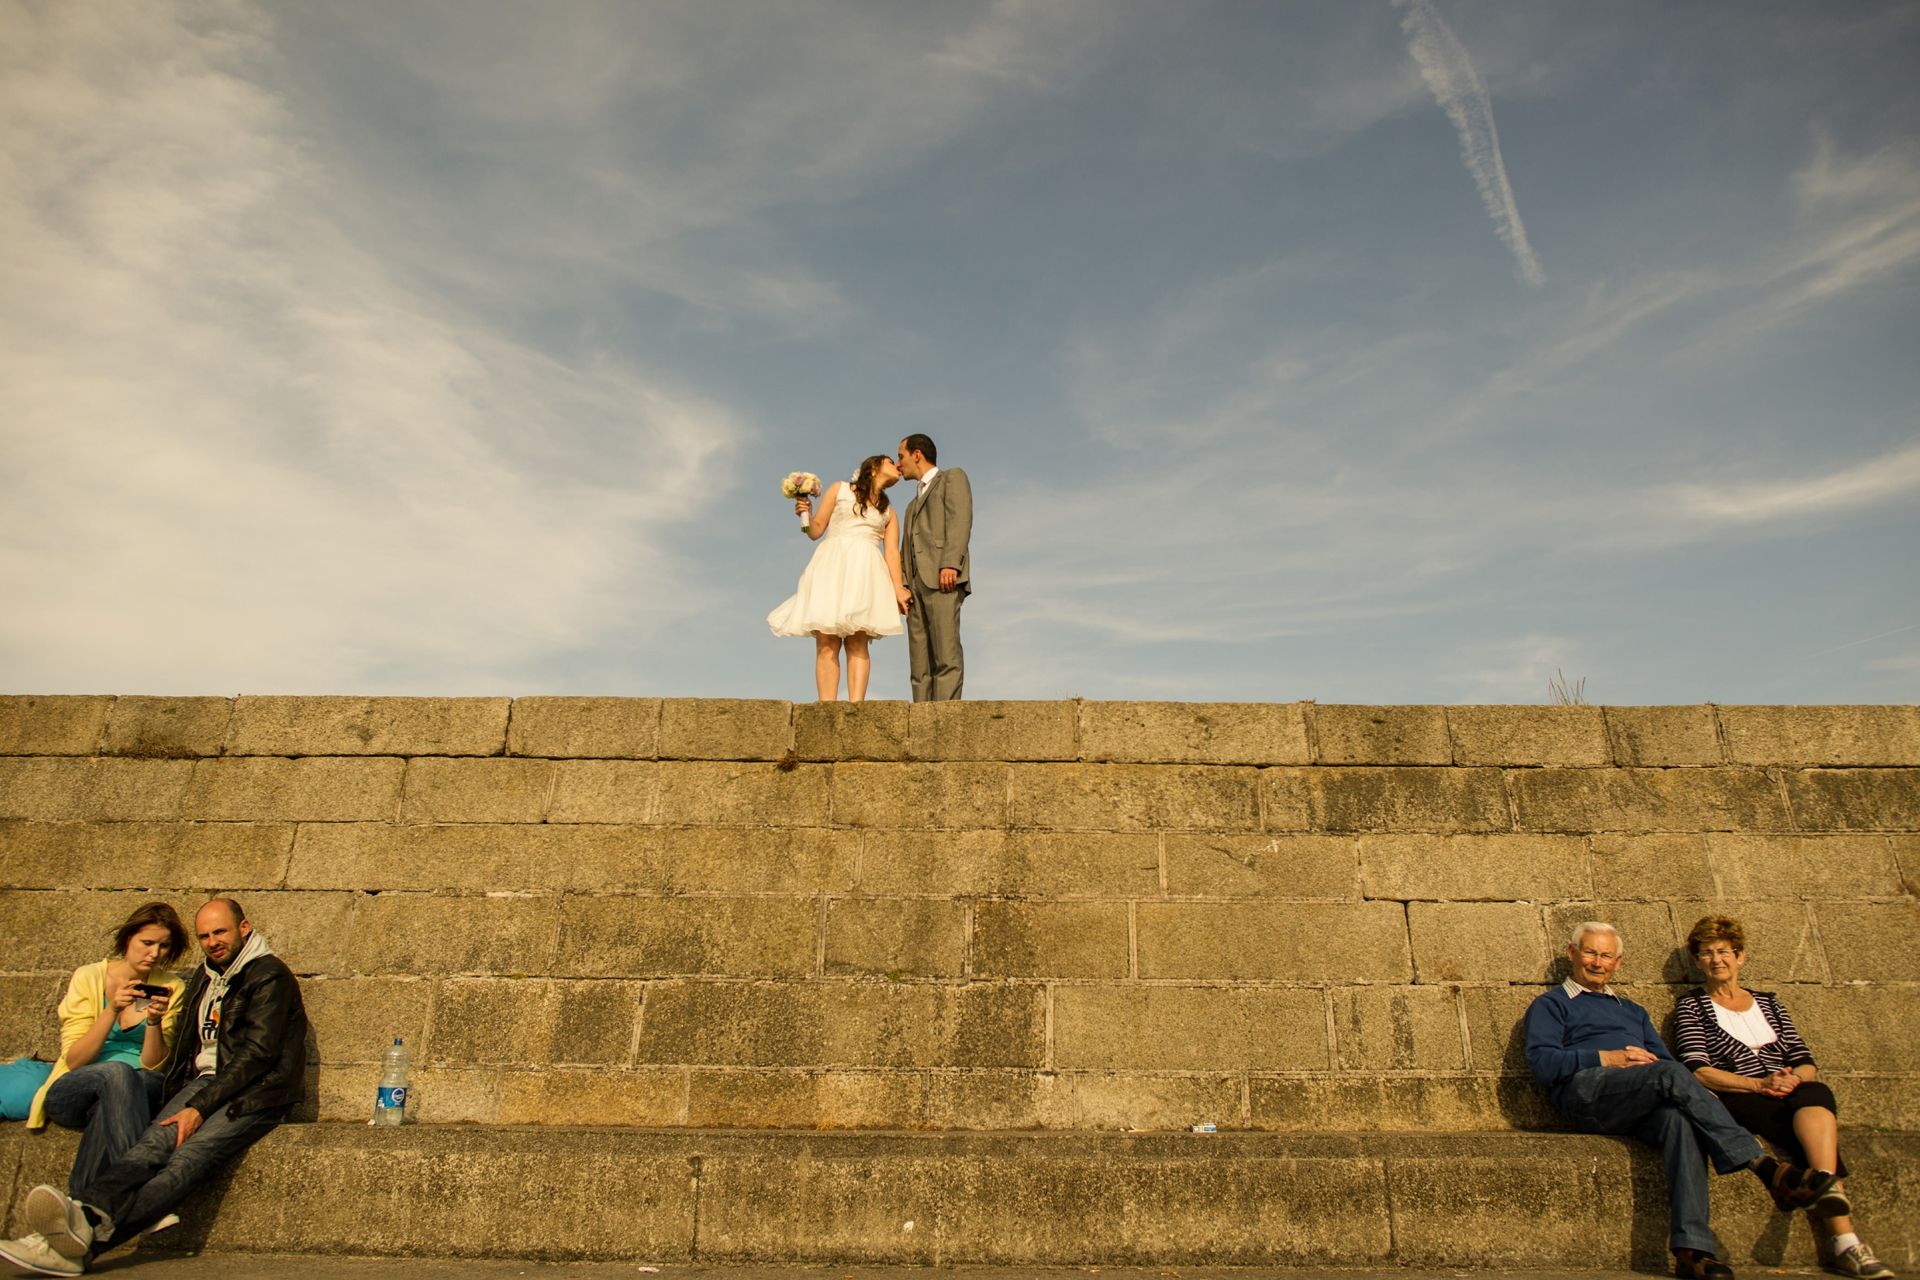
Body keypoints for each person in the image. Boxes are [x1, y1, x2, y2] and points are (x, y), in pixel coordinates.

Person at [0, 898, 308, 1277]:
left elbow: (256, 1057)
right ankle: (76, 1224)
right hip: (204, 1083)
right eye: (204, 936)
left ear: (244, 928)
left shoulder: (268, 976)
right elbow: (190, 1050)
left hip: (255, 1094)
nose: (212, 942)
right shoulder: (208, 975)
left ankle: (72, 1239)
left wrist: (197, 1107)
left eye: (220, 932)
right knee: (149, 1146)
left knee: (185, 1161)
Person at [1525, 921, 1800, 1280]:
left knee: (1679, 1121)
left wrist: (1655, 1072)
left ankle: (1693, 1250)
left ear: (1618, 963)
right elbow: (1543, 1065)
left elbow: (1666, 1064)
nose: (1597, 962)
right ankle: (1761, 1165)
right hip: (1586, 1094)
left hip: (1639, 1097)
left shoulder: (1633, 1011)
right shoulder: (1552, 1005)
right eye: (1590, 953)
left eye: (1606, 956)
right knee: (1670, 1075)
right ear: (1572, 954)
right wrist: (1608, 1058)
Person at [1673, 915, 1894, 1279]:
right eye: (1707, 953)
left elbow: (1805, 1061)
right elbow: (1699, 1070)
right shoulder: (1691, 1007)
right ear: (1698, 962)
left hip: (1790, 1091)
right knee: (1808, 1127)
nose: (1716, 960)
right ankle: (1845, 1238)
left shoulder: (1769, 1003)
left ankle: (1821, 1182)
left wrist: (1791, 1080)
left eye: (1724, 951)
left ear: (1740, 957)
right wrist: (1759, 1084)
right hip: (1739, 1094)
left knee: (1816, 1093)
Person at [26, 904, 189, 1196]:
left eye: (164, 946)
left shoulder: (171, 986)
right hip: (77, 1087)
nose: (154, 953)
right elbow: (75, 1060)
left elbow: (154, 1066)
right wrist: (111, 1010)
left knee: (116, 1095)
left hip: (139, 1088)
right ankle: (140, 1190)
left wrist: (154, 1022)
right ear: (127, 938)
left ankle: (82, 1204)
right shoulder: (89, 977)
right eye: (147, 943)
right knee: (117, 1073)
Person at [769, 454, 909, 702]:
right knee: (827, 640)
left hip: (865, 571)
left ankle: (856, 707)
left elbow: (891, 552)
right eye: (890, 461)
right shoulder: (840, 489)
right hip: (832, 567)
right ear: (873, 468)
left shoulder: (889, 512)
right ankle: (827, 707)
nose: (897, 466)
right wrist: (806, 515)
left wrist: (898, 588)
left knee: (858, 640)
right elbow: (815, 531)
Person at [896, 433, 971, 702]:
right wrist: (904, 585)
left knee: (946, 654)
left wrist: (950, 563)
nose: (898, 464)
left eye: (901, 456)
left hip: (942, 578)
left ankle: (946, 716)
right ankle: (921, 716)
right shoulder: (910, 506)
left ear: (917, 454)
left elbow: (960, 520)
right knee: (919, 662)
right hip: (916, 588)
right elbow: (906, 548)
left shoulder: (952, 478)